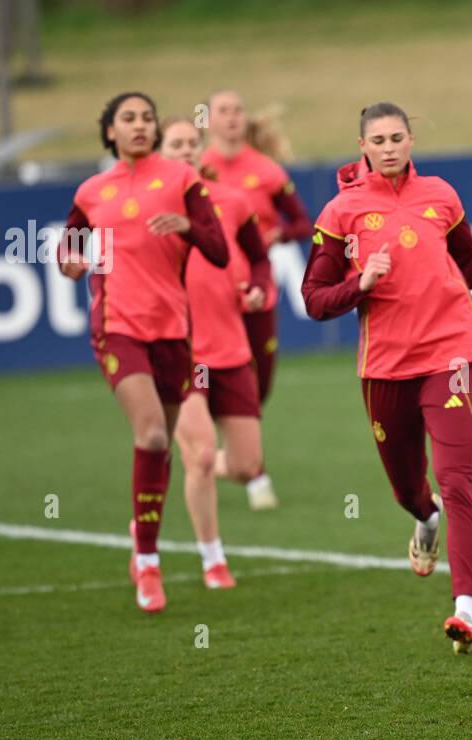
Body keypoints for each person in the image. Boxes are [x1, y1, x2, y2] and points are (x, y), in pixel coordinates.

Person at [301, 101, 472, 654]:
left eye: (397, 137)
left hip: (452, 356)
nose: (389, 147)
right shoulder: (341, 211)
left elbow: (470, 267)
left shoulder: (441, 195)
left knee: (458, 483)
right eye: (378, 140)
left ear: (412, 140)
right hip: (385, 368)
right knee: (410, 490)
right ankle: (423, 520)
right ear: (363, 146)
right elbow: (315, 300)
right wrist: (361, 282)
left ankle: (467, 611)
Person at [58, 92, 228, 613]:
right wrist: (70, 261)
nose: (139, 126)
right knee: (153, 432)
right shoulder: (92, 191)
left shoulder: (181, 180)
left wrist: (189, 228)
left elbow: (218, 249)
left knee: (160, 450)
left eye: (146, 118)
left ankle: (141, 528)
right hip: (117, 328)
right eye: (127, 119)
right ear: (109, 131)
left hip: (173, 332)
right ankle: (149, 564)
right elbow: (69, 242)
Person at [160, 116, 273, 589]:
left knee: (247, 466)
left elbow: (261, 259)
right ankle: (212, 558)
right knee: (203, 457)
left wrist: (257, 292)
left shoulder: (233, 203)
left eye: (192, 143)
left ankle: (161, 489)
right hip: (180, 352)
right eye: (176, 144)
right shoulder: (146, 211)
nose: (186, 150)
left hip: (230, 347)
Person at [201, 89, 313, 510]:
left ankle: (225, 455)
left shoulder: (264, 171)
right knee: (214, 383)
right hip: (210, 297)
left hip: (257, 291)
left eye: (237, 110)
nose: (231, 118)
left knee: (257, 387)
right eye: (223, 111)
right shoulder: (196, 170)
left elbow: (302, 222)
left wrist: (278, 234)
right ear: (207, 120)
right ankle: (252, 472)